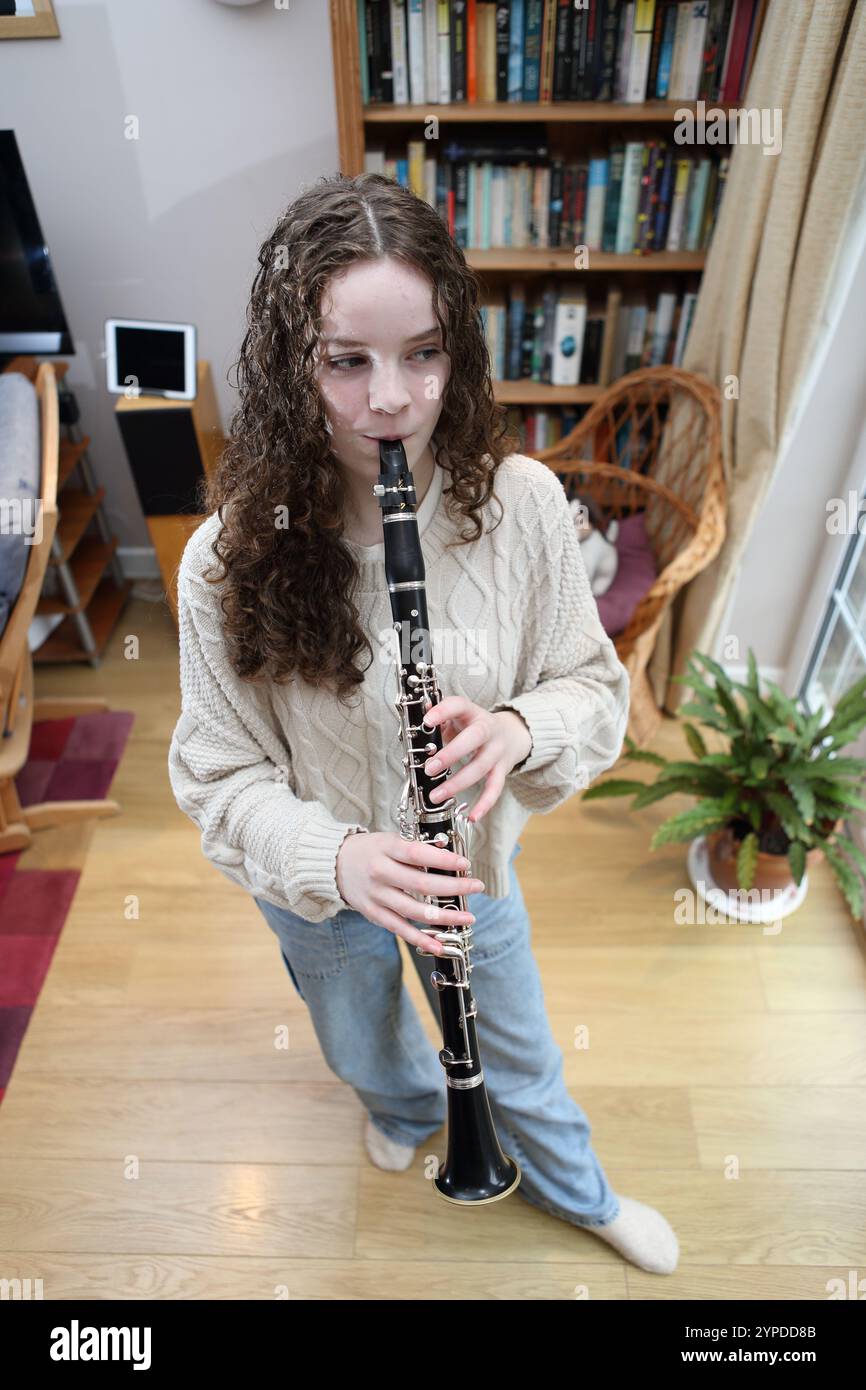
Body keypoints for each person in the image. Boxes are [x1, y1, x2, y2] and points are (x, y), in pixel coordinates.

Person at [167, 172, 679, 1277]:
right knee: (360, 1041)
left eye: (422, 353)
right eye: (344, 360)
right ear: (288, 362)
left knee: (522, 1053)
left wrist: (517, 728)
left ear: (459, 350)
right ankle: (406, 1110)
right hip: (320, 889)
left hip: (468, 875)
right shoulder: (226, 557)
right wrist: (335, 856)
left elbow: (593, 689)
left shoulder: (524, 504)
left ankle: (575, 1191)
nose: (389, 400)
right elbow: (216, 774)